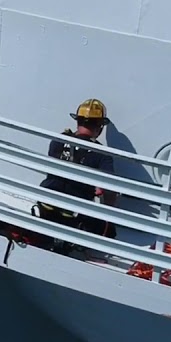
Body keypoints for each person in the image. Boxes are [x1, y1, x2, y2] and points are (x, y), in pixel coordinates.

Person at [33, 98, 120, 252]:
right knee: (109, 231)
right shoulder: (102, 154)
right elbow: (109, 190)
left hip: (46, 205)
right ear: (100, 127)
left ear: (77, 122)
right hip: (72, 216)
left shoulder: (58, 140)